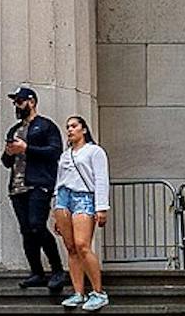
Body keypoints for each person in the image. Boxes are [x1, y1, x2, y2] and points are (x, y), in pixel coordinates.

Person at [4, 85, 71, 295]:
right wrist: (9, 152)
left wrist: (27, 149)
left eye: (20, 101)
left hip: (39, 184)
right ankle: (37, 272)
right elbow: (6, 162)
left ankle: (58, 270)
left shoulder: (46, 126)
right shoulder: (14, 130)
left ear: (31, 102)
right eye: (15, 102)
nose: (17, 105)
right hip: (17, 187)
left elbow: (54, 152)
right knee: (26, 230)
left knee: (37, 225)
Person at [52, 115, 116, 310]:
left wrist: (101, 207)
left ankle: (98, 291)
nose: (70, 130)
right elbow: (59, 180)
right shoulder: (65, 155)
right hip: (64, 198)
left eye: (74, 126)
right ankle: (78, 291)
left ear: (84, 129)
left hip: (84, 197)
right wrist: (55, 209)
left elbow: (101, 179)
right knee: (70, 247)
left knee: (82, 245)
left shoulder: (94, 151)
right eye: (68, 127)